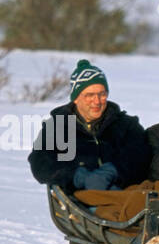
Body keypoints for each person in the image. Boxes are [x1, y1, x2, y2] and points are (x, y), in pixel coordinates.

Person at [27, 59, 149, 192]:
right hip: (78, 197)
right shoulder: (57, 126)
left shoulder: (126, 125)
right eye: (89, 95)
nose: (96, 101)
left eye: (102, 94)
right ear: (76, 98)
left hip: (124, 192)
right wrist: (79, 176)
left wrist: (113, 171)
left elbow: (141, 156)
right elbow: (40, 163)